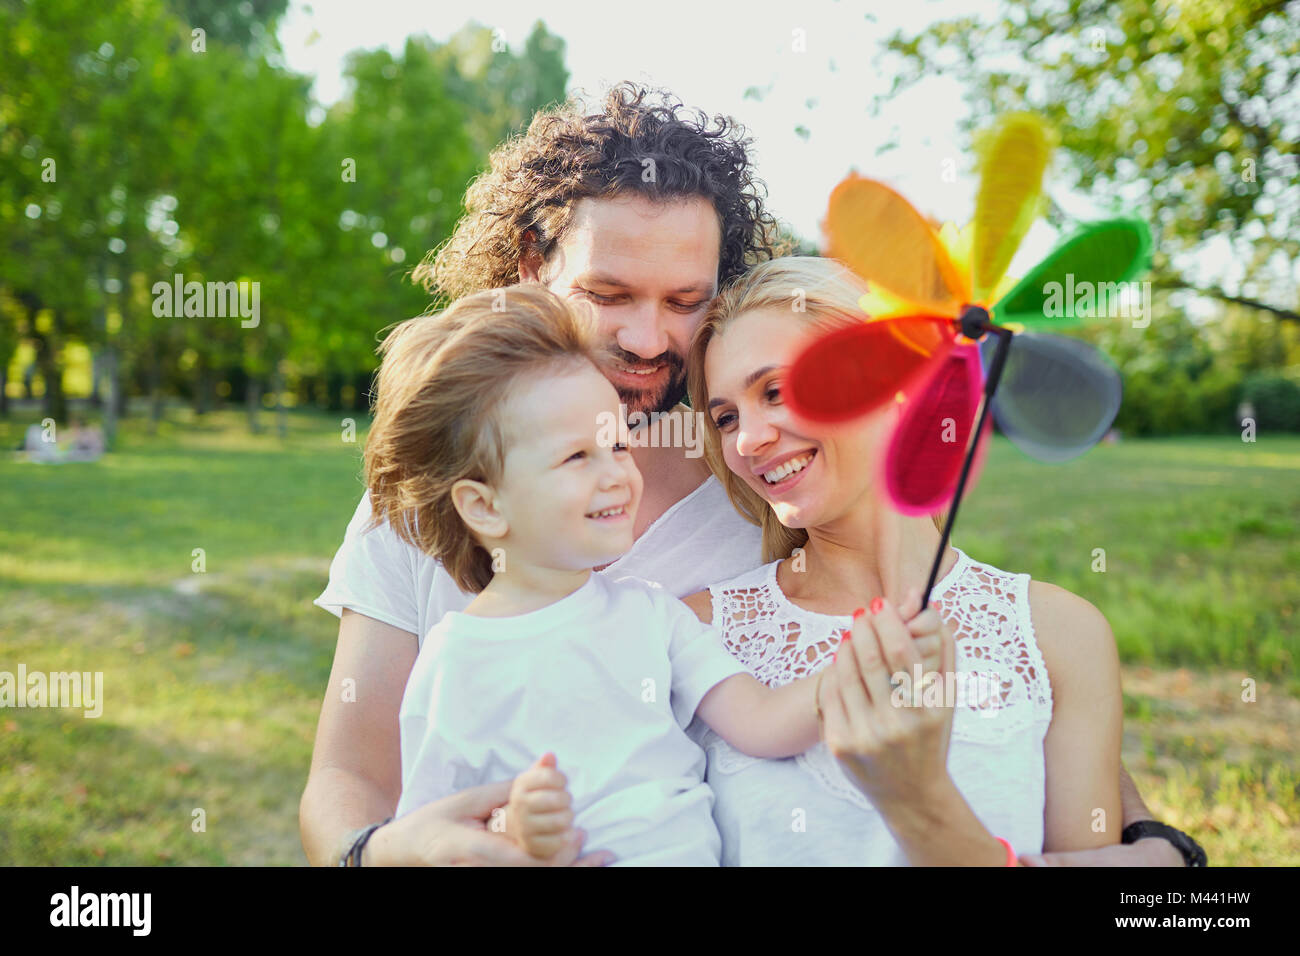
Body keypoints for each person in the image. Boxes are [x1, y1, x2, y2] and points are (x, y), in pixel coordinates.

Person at [301, 82, 1191, 867]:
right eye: (610, 295)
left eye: (684, 302)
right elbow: (346, 771)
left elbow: (1002, 699)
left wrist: (1164, 855)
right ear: (534, 264)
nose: (650, 339)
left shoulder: (763, 496)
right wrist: (377, 853)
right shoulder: (430, 502)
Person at [363, 284, 910, 864]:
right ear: (484, 506)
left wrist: (860, 669)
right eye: (577, 457)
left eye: (619, 446)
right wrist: (515, 830)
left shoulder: (652, 614)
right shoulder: (455, 662)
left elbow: (763, 723)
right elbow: (434, 838)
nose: (616, 476)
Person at [676, 256, 1124, 864]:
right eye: (727, 417)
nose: (747, 441)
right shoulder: (696, 633)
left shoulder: (1060, 635)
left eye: (777, 391)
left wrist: (919, 798)